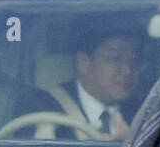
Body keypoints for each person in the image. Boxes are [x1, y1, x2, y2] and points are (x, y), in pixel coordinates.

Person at [13, 24, 145, 140]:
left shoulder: (144, 114)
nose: (128, 70)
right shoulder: (40, 108)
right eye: (114, 58)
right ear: (84, 63)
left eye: (134, 60)